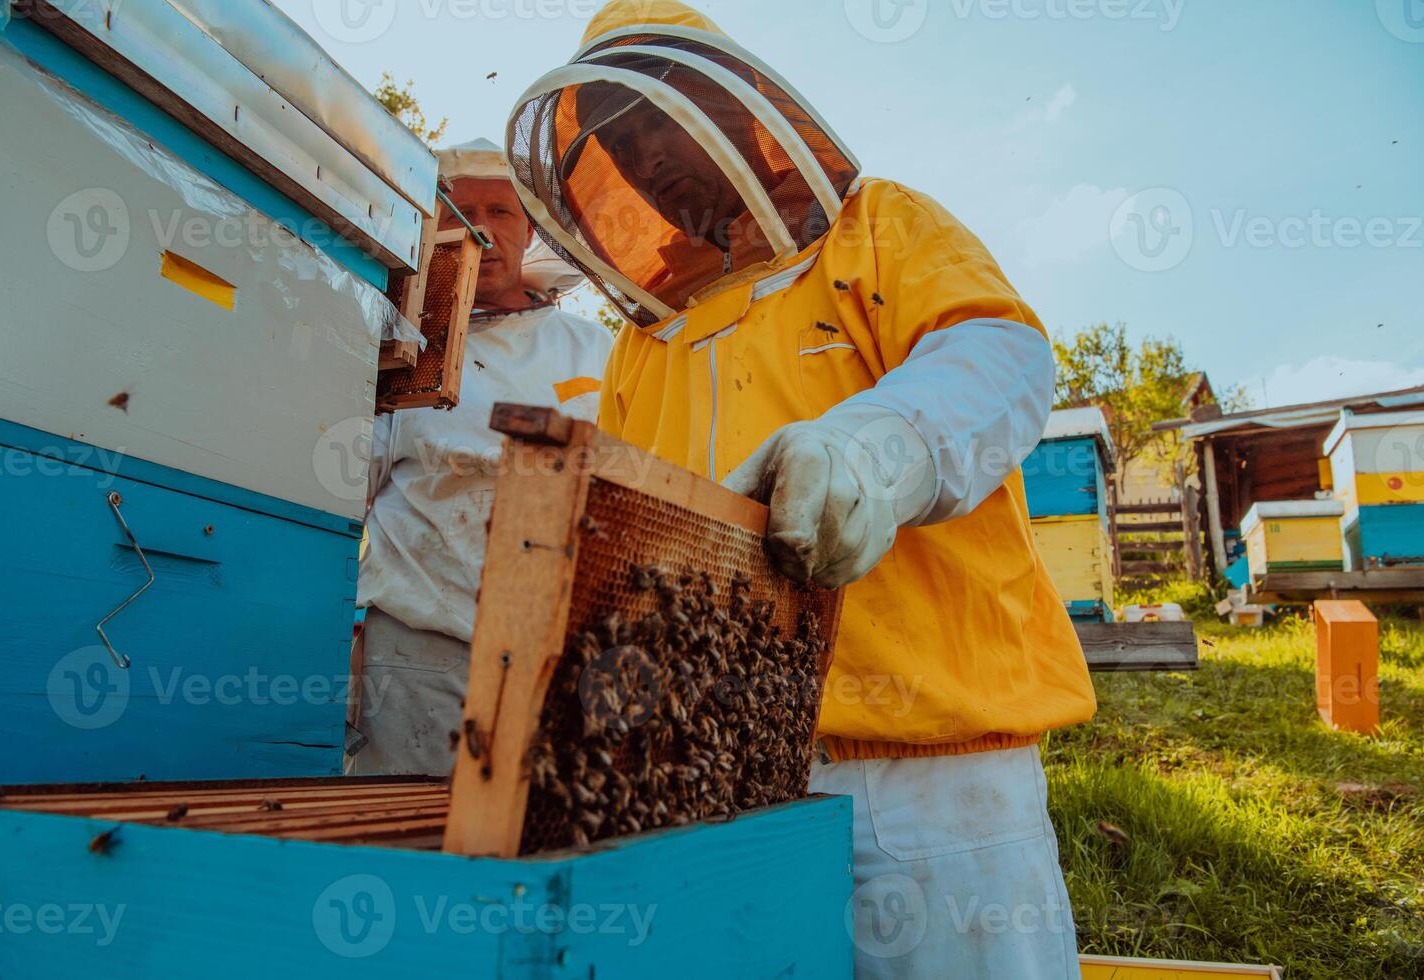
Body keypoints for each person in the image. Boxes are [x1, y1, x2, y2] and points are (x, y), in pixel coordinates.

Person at [505, 4, 1098, 976]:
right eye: (623, 150)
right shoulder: (638, 345)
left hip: (929, 779)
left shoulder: (879, 229)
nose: (651, 163)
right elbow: (609, 536)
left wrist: (879, 450)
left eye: (660, 126)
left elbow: (1001, 356)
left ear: (737, 112)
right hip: (717, 785)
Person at [349, 138, 614, 776]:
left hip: (567, 654)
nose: (480, 229)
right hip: (422, 646)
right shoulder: (397, 348)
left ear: (531, 232)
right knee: (413, 840)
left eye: (501, 212)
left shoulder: (597, 351)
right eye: (457, 210)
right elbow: (345, 493)